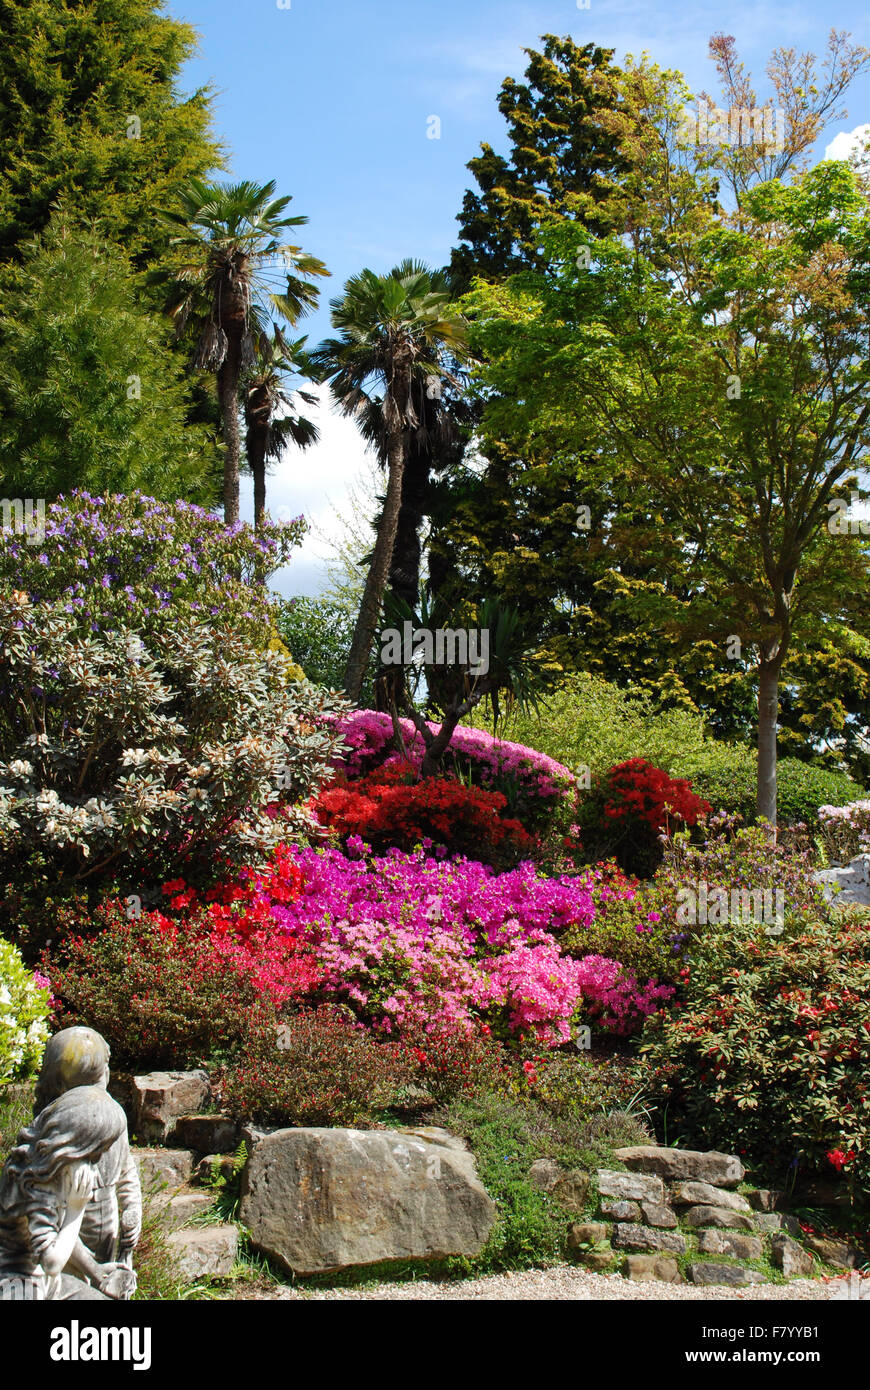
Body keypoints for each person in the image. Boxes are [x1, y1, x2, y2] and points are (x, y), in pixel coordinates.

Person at [33, 1027, 142, 1293]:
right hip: (69, 1246)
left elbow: (127, 1173)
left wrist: (133, 1210)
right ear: (61, 1086)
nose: (102, 1084)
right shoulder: (51, 1136)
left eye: (103, 1073)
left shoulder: (112, 1117)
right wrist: (93, 1270)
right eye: (90, 1082)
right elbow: (54, 1223)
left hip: (108, 1231)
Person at [0, 1086, 129, 1300]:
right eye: (96, 1151)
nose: (95, 1161)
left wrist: (93, 1269)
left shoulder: (53, 1170)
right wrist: (76, 1209)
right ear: (77, 1143)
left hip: (47, 1281)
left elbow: (55, 1233)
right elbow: (51, 1262)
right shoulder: (35, 1182)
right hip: (16, 1283)